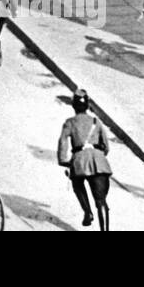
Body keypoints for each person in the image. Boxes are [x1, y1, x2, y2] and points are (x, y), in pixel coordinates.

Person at [57, 90, 112, 230]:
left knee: (77, 184)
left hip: (79, 161)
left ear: (74, 106)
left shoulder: (70, 122)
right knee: (101, 201)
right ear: (87, 106)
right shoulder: (96, 121)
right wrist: (98, 155)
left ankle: (87, 212)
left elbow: (63, 141)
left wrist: (63, 160)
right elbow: (106, 146)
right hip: (99, 162)